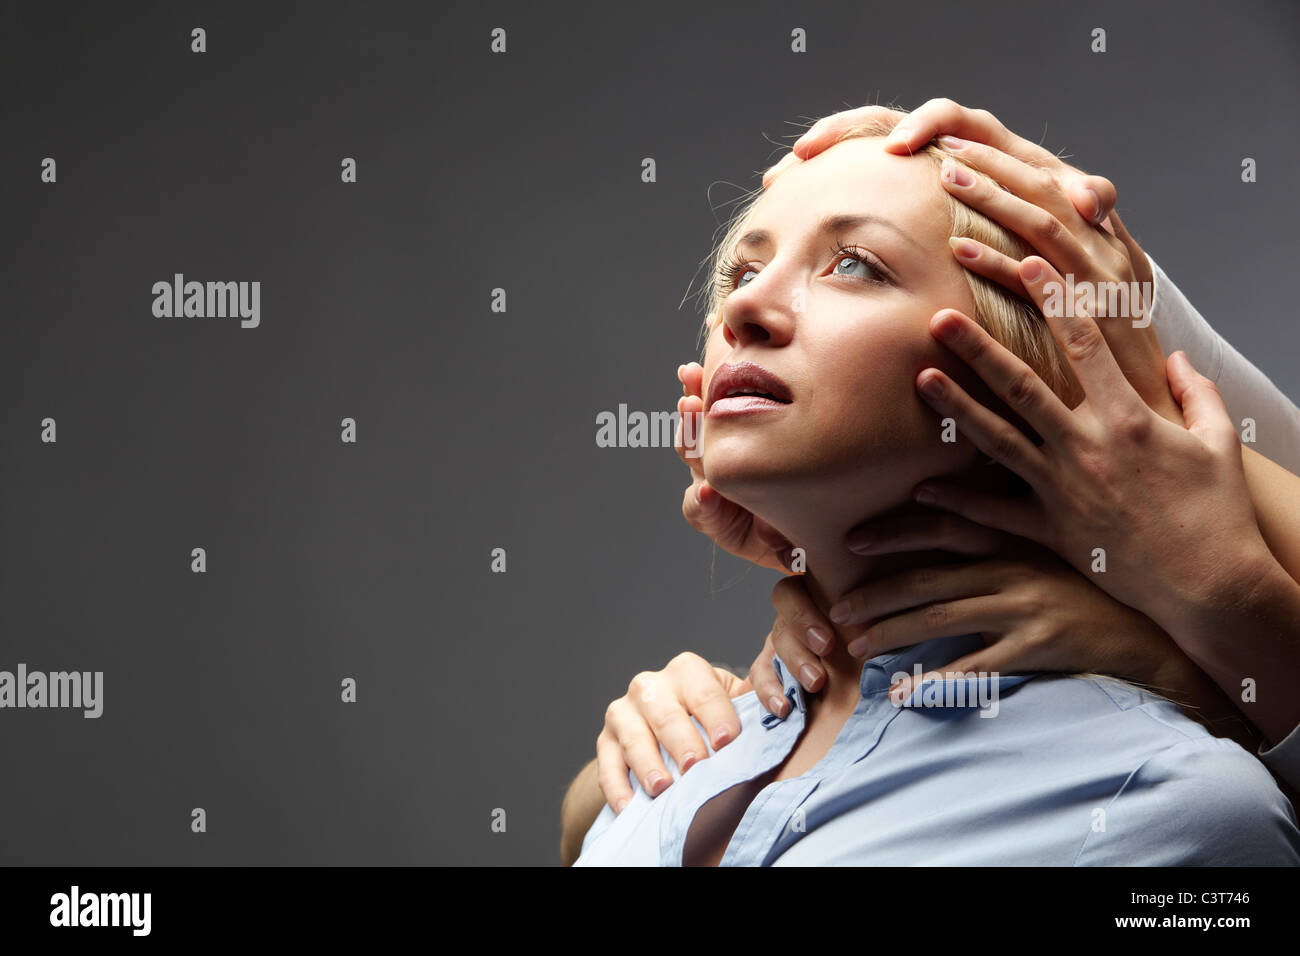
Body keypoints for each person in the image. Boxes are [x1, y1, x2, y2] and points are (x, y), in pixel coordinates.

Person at [564, 114, 1300, 866]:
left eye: (854, 265)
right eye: (741, 274)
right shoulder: (675, 756)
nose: (745, 310)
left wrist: (1219, 606)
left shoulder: (1158, 805)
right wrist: (608, 810)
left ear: (1028, 374)